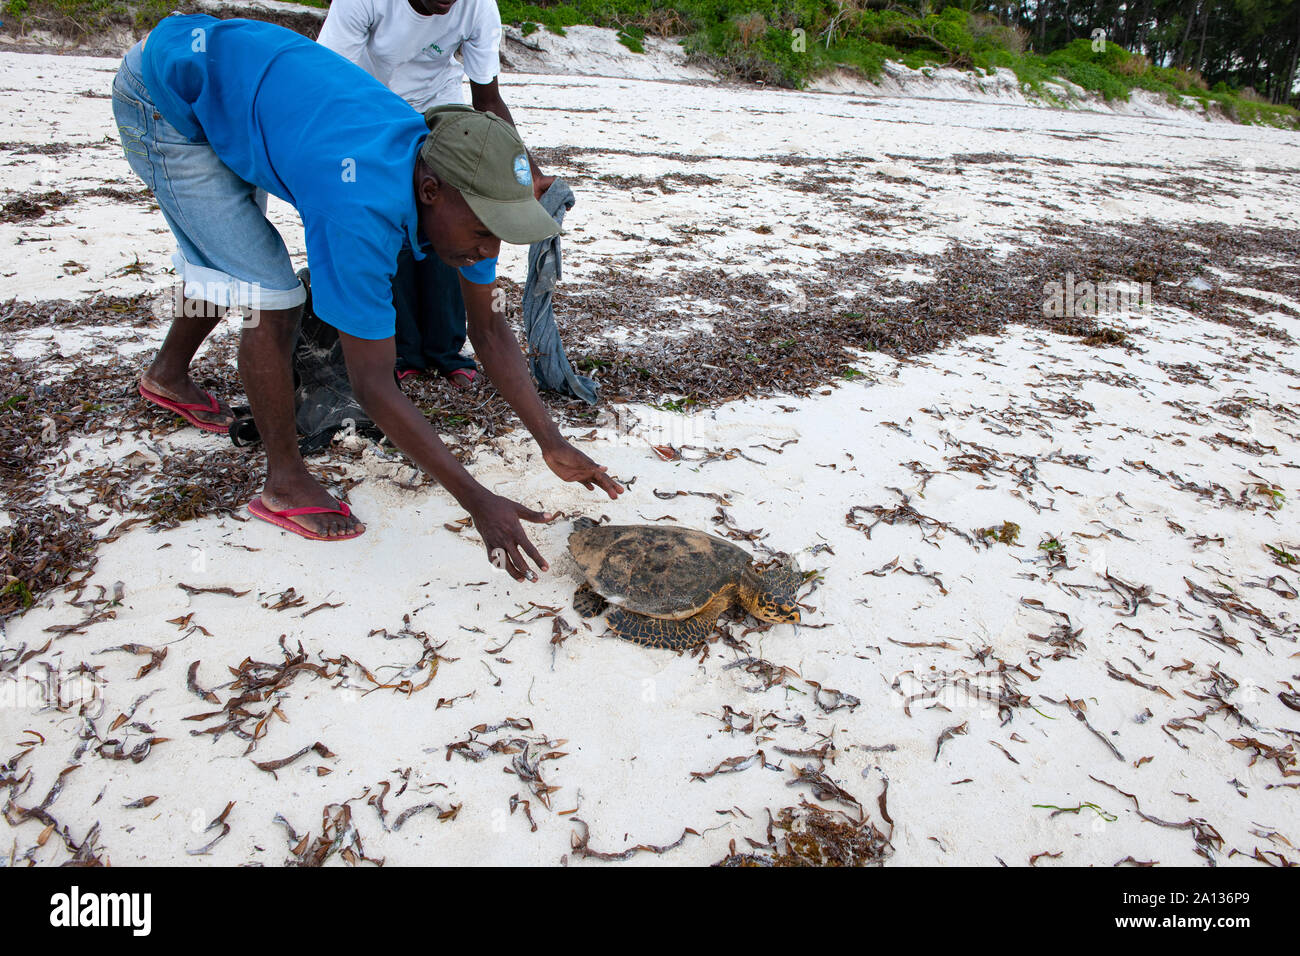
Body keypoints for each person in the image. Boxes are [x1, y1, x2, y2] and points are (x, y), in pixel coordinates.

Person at [114, 13, 622, 581]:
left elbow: (490, 329)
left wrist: (551, 441)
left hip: (244, 81)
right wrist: (479, 501)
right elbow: (373, 384)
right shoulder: (357, 211)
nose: (490, 246)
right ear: (429, 192)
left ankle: (167, 373)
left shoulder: (467, 197)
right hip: (168, 93)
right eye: (484, 231)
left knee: (230, 255)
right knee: (272, 298)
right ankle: (283, 482)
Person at [318, 0, 552, 388]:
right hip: (372, 111)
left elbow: (488, 100)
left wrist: (524, 170)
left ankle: (446, 351)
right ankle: (405, 352)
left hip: (442, 115)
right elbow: (325, 78)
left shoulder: (477, 7)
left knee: (452, 230)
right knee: (396, 235)